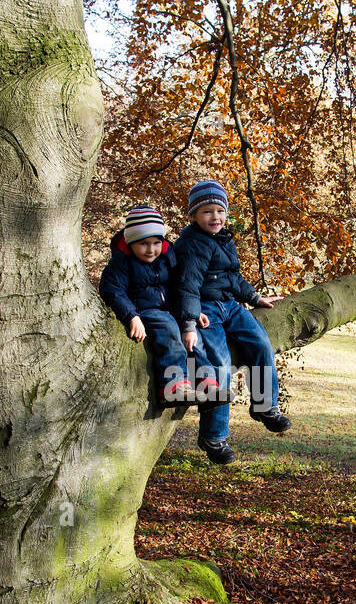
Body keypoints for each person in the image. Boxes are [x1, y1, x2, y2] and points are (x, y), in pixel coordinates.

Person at [174, 180, 290, 465]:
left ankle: (265, 406)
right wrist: (188, 323)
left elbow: (233, 277)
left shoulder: (223, 239)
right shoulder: (191, 245)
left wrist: (254, 297)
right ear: (193, 216)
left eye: (219, 211)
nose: (215, 217)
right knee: (219, 365)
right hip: (205, 311)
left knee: (261, 344)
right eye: (206, 212)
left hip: (231, 306)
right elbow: (186, 286)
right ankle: (214, 436)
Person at [98, 205, 218, 406]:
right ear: (130, 243)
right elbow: (113, 290)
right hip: (144, 309)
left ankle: (206, 382)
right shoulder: (122, 263)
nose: (151, 250)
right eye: (143, 243)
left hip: (169, 308)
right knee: (169, 329)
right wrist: (132, 316)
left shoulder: (167, 259)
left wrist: (191, 312)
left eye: (156, 243)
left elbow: (180, 287)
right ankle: (173, 387)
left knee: (192, 332)